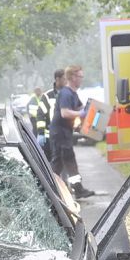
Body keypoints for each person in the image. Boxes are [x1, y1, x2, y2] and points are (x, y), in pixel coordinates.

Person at [49, 65, 94, 198]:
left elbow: (81, 108)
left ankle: (52, 189)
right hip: (60, 134)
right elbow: (65, 113)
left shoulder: (73, 94)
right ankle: (53, 189)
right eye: (80, 76)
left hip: (64, 133)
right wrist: (81, 113)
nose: (82, 79)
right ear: (73, 77)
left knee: (61, 163)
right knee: (64, 162)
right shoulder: (65, 93)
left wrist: (90, 113)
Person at [42, 69, 65, 160]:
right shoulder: (47, 96)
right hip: (51, 137)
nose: (66, 81)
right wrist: (40, 133)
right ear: (57, 79)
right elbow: (40, 115)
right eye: (64, 79)